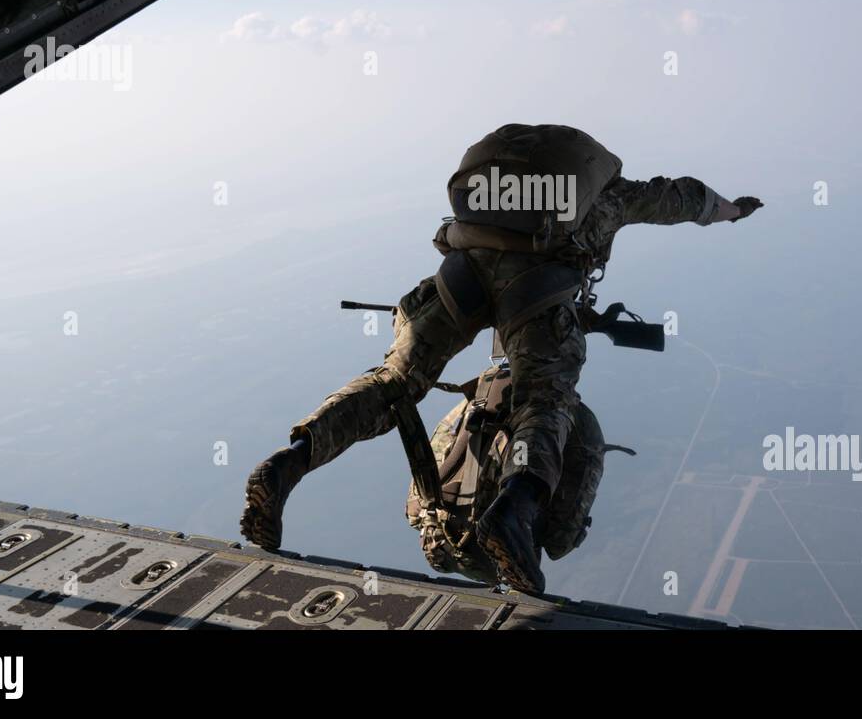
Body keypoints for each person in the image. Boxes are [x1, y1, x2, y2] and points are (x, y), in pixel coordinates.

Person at [240, 124, 762, 592]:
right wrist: (733, 209)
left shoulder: (496, 190)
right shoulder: (612, 195)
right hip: (536, 291)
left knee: (396, 381)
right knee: (544, 401)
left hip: (460, 277)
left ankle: (289, 463)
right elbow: (685, 199)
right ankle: (513, 510)